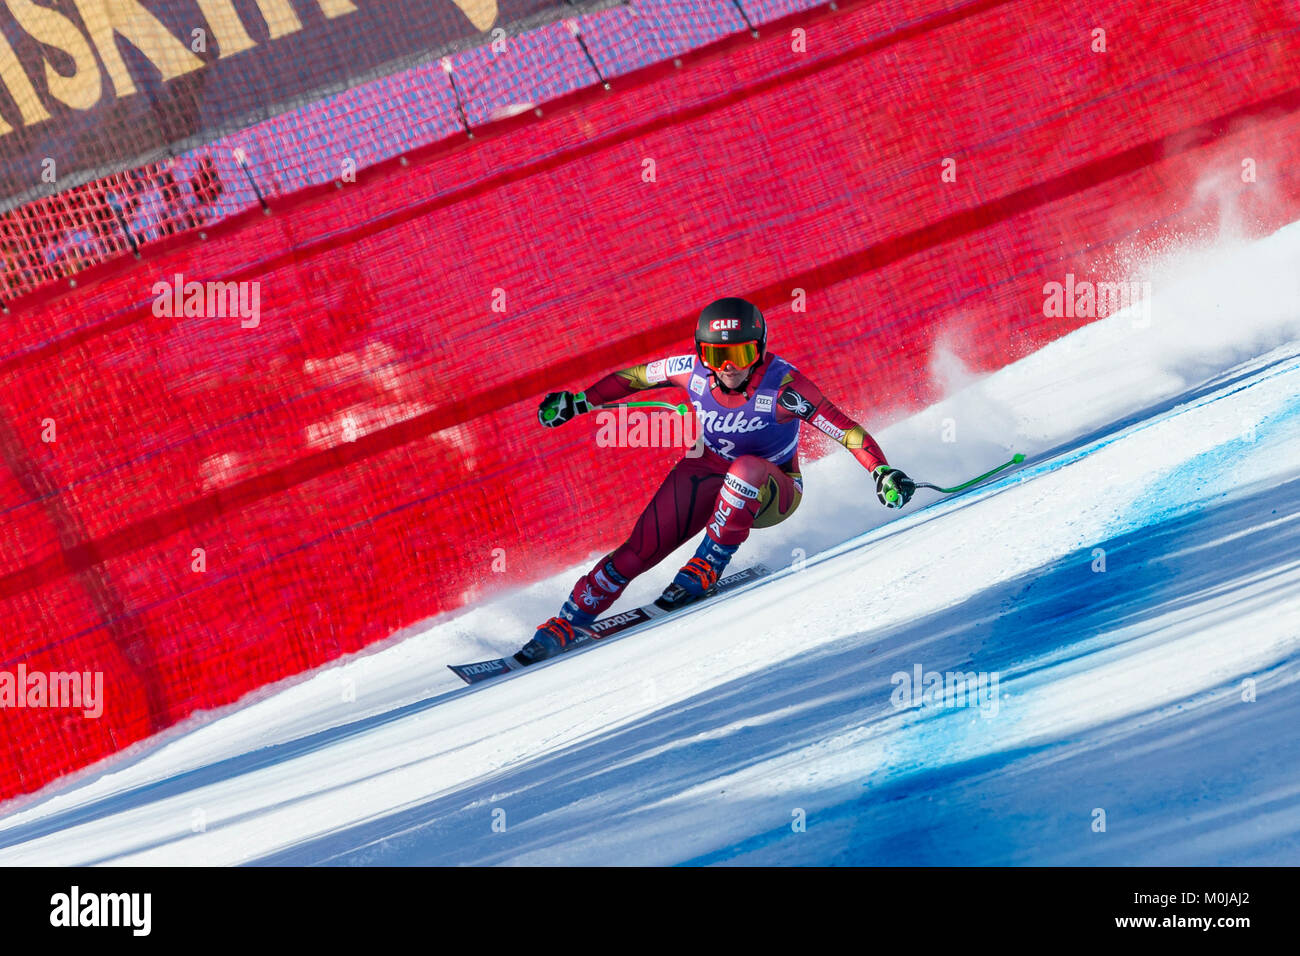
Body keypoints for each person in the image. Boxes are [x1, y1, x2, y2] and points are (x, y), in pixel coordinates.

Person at [522, 297, 915, 661]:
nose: (729, 367)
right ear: (702, 354)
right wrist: (580, 402)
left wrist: (881, 471)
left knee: (745, 466)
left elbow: (845, 430)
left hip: (772, 491)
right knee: (639, 548)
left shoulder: (785, 387)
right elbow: (636, 377)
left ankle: (707, 564)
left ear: (759, 349)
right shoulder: (688, 372)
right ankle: (570, 619)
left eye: (741, 354)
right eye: (717, 356)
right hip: (709, 471)